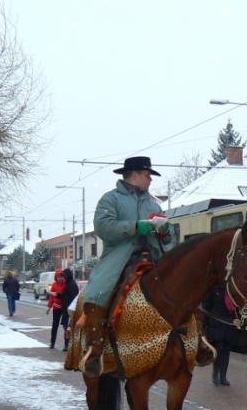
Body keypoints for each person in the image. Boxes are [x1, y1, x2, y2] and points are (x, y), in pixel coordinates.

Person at [75, 156, 176, 376]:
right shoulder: (110, 199)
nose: (150, 180)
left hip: (153, 259)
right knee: (99, 292)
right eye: (148, 176)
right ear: (135, 175)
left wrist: (166, 231)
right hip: (121, 260)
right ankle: (96, 346)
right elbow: (103, 227)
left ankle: (194, 339)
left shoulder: (153, 204)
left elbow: (169, 237)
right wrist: (135, 227)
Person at [202, 285, 239, 386]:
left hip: (228, 326)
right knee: (219, 349)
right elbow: (207, 307)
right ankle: (215, 373)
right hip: (216, 325)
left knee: (226, 352)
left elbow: (237, 309)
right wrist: (204, 324)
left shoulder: (233, 291)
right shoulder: (215, 290)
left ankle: (223, 377)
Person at [54, 268, 80, 351]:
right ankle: (67, 345)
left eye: (64, 277)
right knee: (66, 327)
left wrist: (71, 307)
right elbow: (65, 296)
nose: (62, 279)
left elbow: (74, 298)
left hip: (69, 310)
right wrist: (58, 295)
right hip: (66, 309)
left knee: (68, 327)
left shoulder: (71, 285)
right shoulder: (68, 284)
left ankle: (68, 345)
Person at [46, 269, 66, 349]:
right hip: (56, 307)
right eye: (58, 277)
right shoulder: (54, 285)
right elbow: (51, 297)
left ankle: (66, 344)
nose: (59, 278)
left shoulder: (66, 284)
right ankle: (52, 342)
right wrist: (49, 307)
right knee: (55, 325)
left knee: (65, 326)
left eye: (61, 276)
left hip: (64, 307)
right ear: (56, 277)